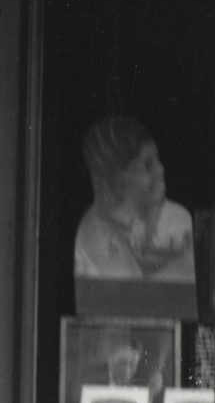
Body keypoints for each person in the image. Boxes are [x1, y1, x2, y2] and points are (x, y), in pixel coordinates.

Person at [73, 116, 195, 284]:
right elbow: (126, 299)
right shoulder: (99, 233)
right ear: (119, 179)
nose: (161, 170)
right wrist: (182, 267)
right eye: (148, 165)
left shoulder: (121, 227)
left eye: (158, 161)